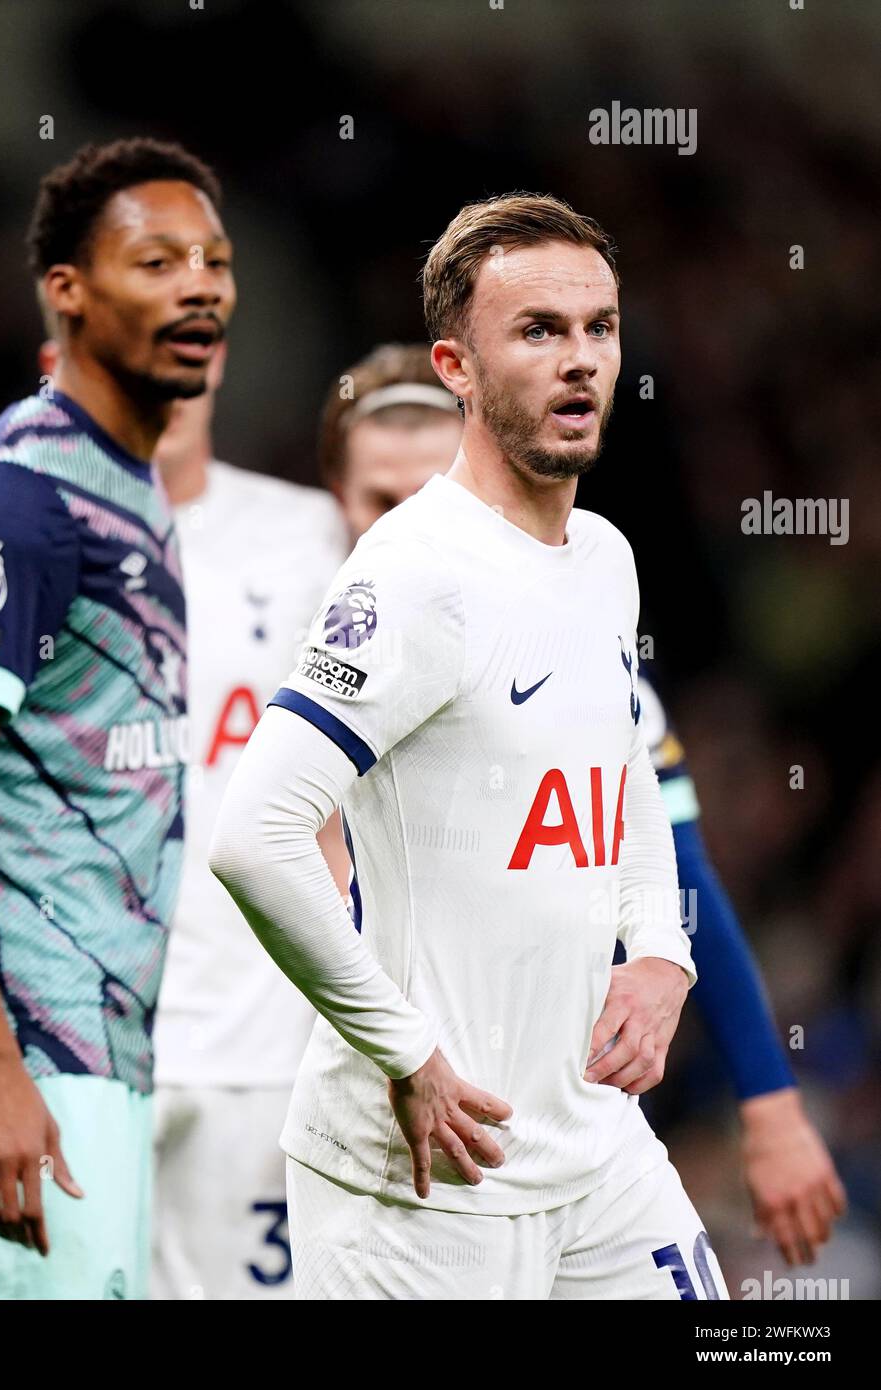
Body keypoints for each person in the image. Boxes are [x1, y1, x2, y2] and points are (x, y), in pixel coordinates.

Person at [209, 192, 726, 1299]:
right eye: (539, 330)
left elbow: (622, 768)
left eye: (599, 327)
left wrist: (660, 947)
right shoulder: (415, 573)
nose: (581, 359)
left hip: (595, 1149)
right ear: (455, 364)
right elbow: (254, 834)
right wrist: (401, 1049)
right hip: (424, 1179)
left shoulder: (604, 555)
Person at [319, 341, 847, 1270]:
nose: (411, 520)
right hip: (356, 1107)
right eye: (378, 501)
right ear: (334, 504)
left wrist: (765, 1099)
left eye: (426, 488)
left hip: (559, 1107)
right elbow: (255, 851)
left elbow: (678, 872)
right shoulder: (317, 675)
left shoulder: (588, 642)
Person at [0, 135, 234, 1299]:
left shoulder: (126, 483)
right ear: (66, 291)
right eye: (157, 260)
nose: (200, 285)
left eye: (216, 260)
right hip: (18, 1052)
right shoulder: (21, 500)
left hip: (91, 1043)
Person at [146, 339, 352, 1300]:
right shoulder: (13, 542)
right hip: (72, 1047)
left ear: (218, 357)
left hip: (265, 1038)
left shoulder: (310, 536)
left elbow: (364, 798)